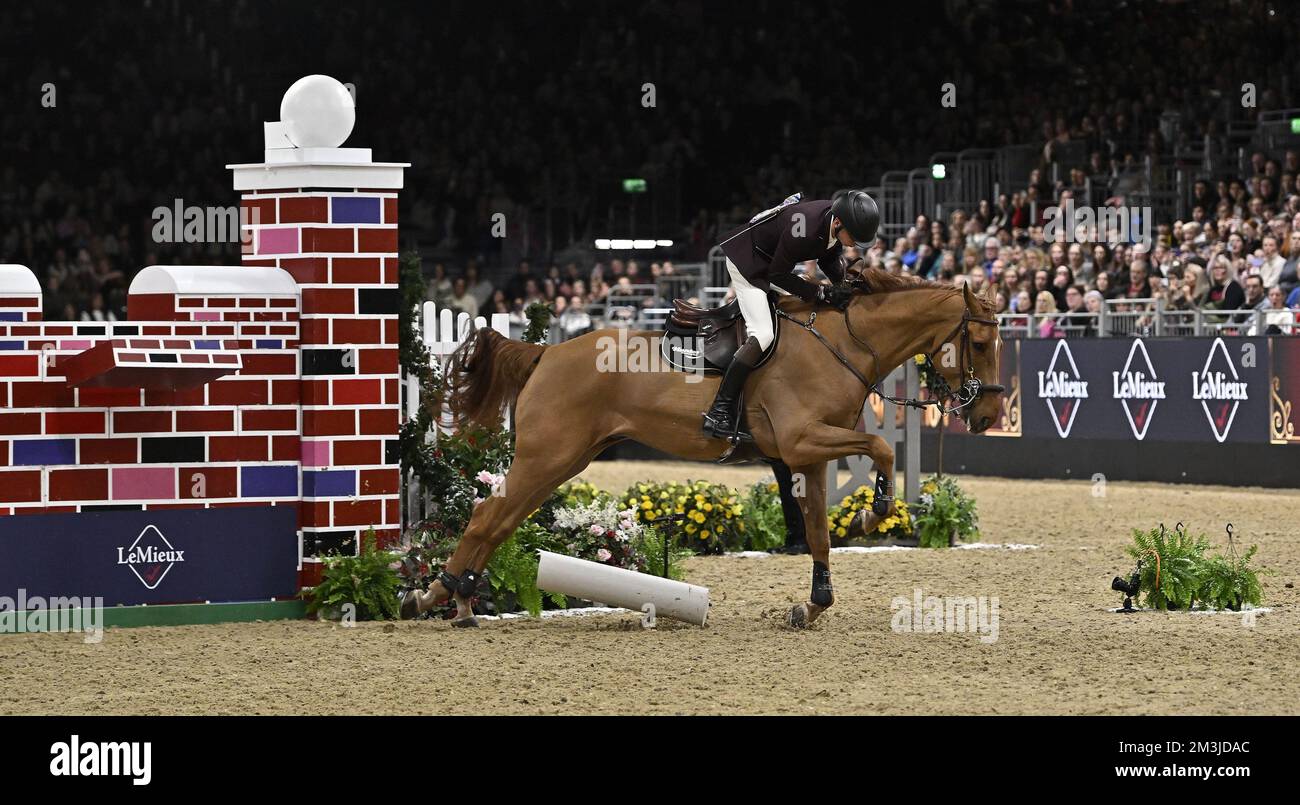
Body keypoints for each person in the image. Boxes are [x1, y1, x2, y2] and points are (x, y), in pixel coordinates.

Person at [702, 190, 880, 440]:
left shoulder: (835, 219)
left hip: (771, 260)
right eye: (854, 237)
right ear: (838, 223)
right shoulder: (805, 227)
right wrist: (822, 293)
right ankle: (719, 411)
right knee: (763, 334)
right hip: (749, 263)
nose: (855, 244)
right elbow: (777, 275)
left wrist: (842, 285)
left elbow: (828, 257)